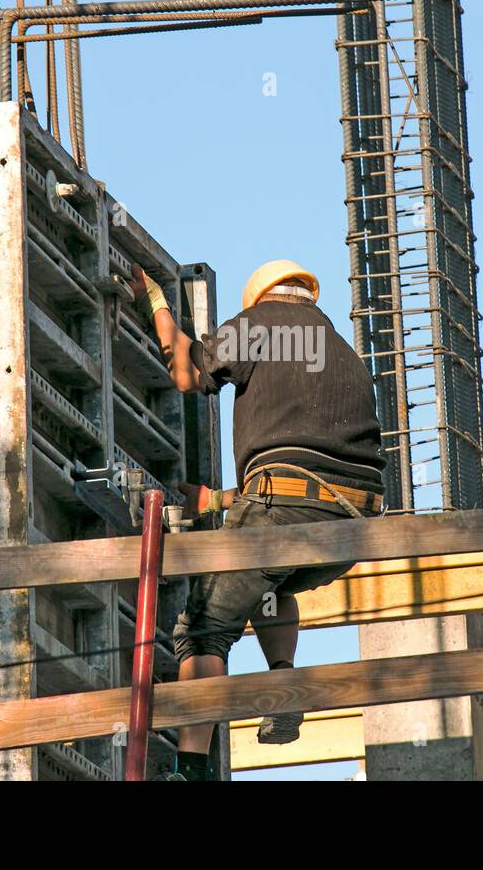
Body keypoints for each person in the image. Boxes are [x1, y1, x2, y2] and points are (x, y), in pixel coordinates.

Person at [130, 258, 385, 781]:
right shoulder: (345, 355)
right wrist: (221, 503)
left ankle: (192, 770)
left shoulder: (259, 325)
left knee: (203, 630)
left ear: (260, 299)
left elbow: (185, 371)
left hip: (283, 513)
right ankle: (282, 686)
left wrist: (154, 301)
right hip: (350, 528)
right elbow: (316, 465)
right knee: (273, 584)